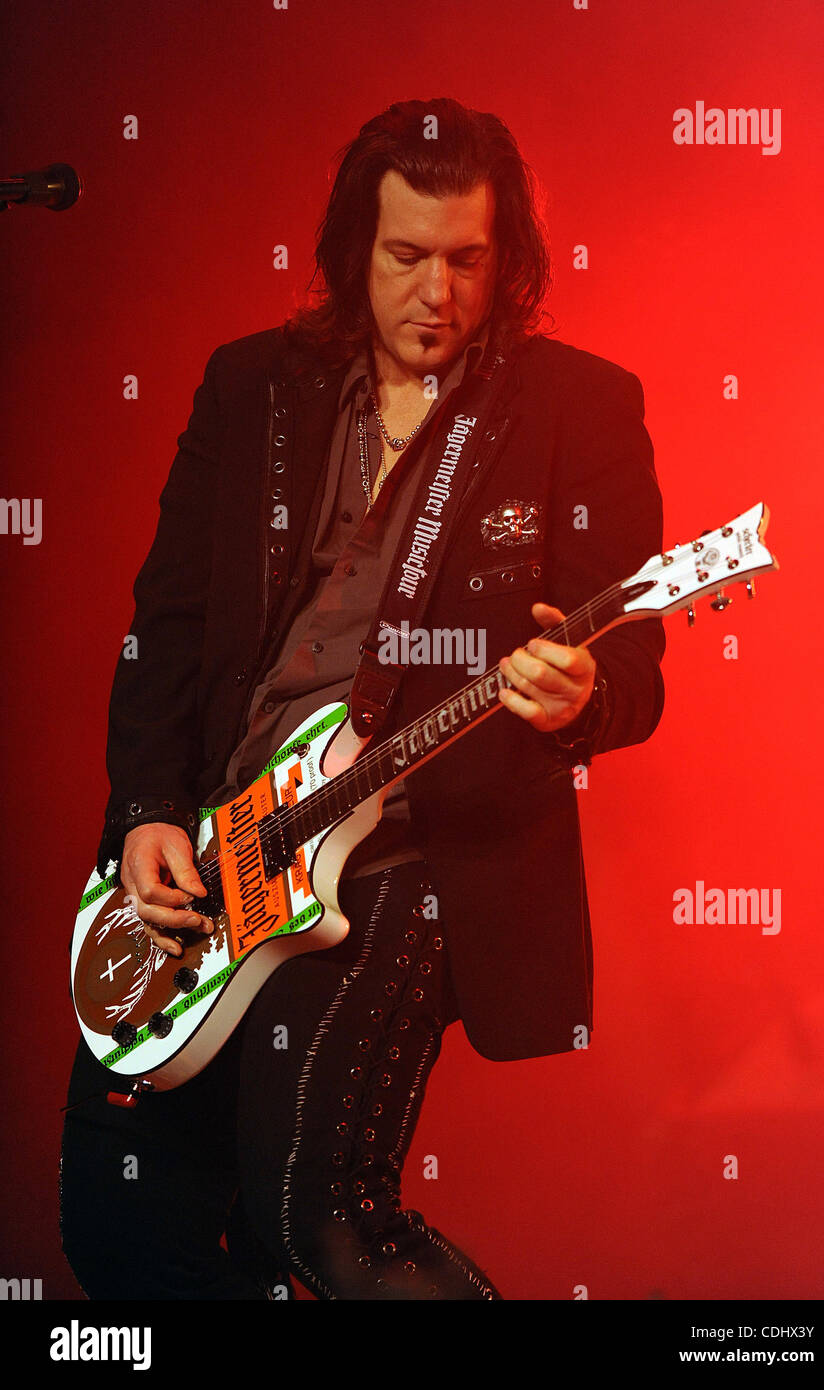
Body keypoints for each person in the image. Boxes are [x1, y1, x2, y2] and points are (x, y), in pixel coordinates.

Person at [59, 97, 665, 1301]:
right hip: (218, 838)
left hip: (409, 850)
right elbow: (167, 630)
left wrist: (581, 693)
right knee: (124, 1225)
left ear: (509, 262)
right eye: (404, 257)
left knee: (316, 1214)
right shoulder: (250, 390)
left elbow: (636, 666)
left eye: (466, 259)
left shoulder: (575, 406)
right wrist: (148, 813)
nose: (435, 291)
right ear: (352, 250)